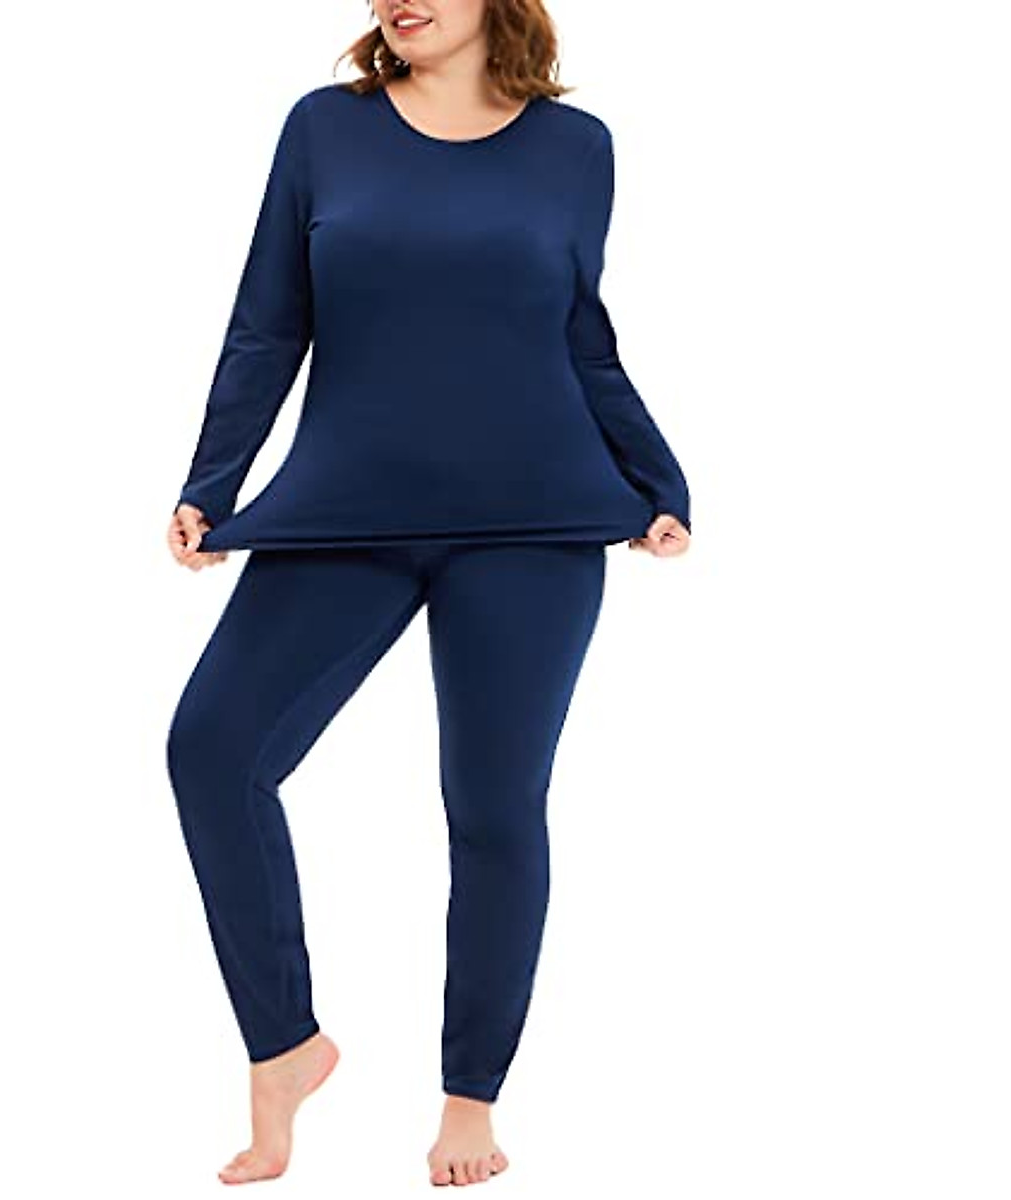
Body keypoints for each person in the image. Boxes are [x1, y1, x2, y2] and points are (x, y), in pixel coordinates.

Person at [165, 0, 691, 1186]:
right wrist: (212, 483)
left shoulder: (578, 147)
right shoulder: (323, 129)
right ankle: (284, 1049)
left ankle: (470, 1098)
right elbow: (268, 325)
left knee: (493, 806)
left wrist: (656, 481)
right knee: (212, 749)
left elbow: (580, 334)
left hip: (535, 521)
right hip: (347, 508)